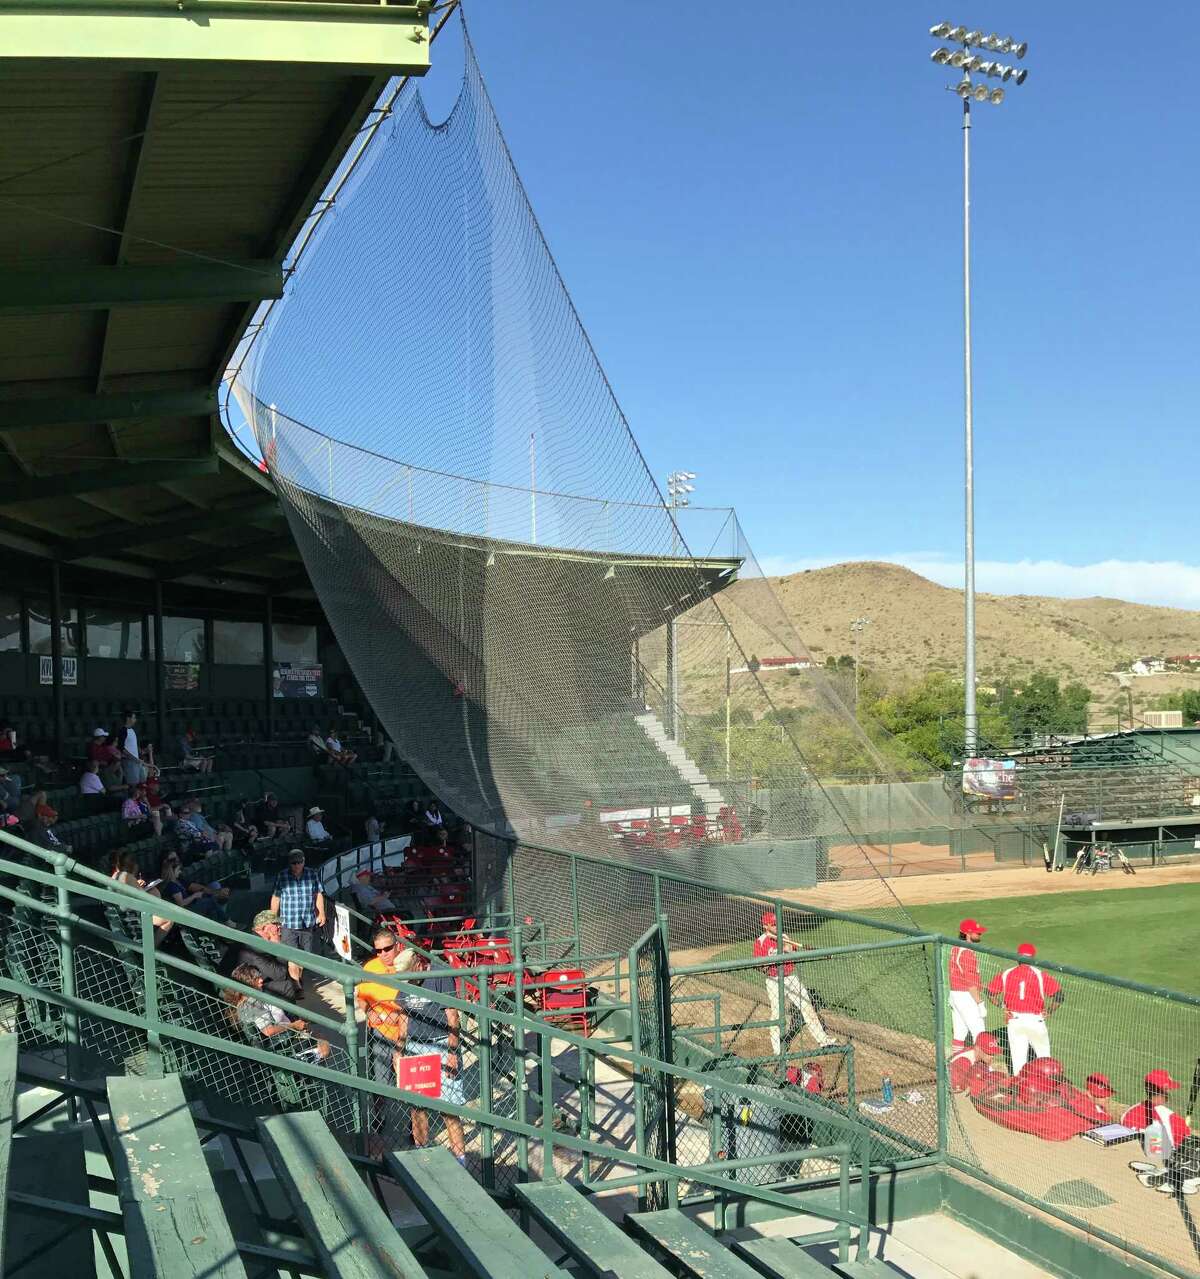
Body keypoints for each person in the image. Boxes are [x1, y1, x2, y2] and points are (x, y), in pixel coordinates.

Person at [393, 944, 466, 1161]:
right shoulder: (406, 981)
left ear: (418, 964)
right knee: (417, 1106)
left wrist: (452, 1052)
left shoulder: (438, 975)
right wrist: (399, 1049)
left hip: (440, 1043)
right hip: (416, 1045)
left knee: (449, 1108)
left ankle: (460, 1157)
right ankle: (421, 1152)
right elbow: (403, 1017)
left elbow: (452, 1016)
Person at [356, 928, 416, 1157]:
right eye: (378, 950)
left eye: (387, 948)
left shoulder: (407, 966)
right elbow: (361, 998)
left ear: (397, 946)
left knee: (409, 1083)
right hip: (380, 1032)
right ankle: (380, 1119)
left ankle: (413, 1126)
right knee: (381, 1080)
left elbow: (415, 1001)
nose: (383, 954)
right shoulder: (370, 968)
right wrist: (369, 1012)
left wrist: (400, 1016)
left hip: (407, 1033)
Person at [753, 910, 836, 1054]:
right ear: (765, 926)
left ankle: (823, 1040)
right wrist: (773, 959)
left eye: (777, 924)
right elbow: (759, 967)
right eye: (773, 925)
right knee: (777, 1015)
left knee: (807, 1007)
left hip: (791, 978)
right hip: (773, 981)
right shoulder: (760, 942)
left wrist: (789, 950)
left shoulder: (784, 937)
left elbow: (795, 956)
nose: (776, 927)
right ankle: (778, 1051)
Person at [986, 942, 1062, 1074]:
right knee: (1045, 1061)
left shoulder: (1007, 974)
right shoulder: (1040, 975)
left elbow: (989, 992)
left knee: (1018, 1063)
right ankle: (1047, 1090)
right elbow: (1059, 996)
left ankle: (1018, 1092)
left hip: (1015, 1020)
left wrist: (1002, 1006)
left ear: (1018, 957)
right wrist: (1049, 1010)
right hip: (1036, 1020)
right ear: (1033, 958)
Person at [227, 963, 330, 1058]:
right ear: (247, 983)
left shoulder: (247, 1002)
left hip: (288, 1033)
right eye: (255, 978)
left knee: (319, 1035)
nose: (261, 979)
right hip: (283, 1042)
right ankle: (311, 1060)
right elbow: (268, 1031)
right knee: (324, 1046)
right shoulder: (252, 1003)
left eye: (259, 975)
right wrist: (295, 1026)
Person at [269, 850, 325, 985]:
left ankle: (298, 978)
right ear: (290, 863)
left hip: (307, 922)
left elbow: (317, 894)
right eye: (294, 863)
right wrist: (272, 919)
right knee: (292, 956)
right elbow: (276, 898)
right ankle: (296, 985)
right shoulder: (282, 875)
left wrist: (321, 913)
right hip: (288, 923)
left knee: (305, 956)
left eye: (299, 862)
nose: (297, 865)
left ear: (304, 861)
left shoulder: (312, 874)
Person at [220, 909, 299, 1002]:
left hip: (245, 981)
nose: (279, 927)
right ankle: (289, 1016)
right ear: (265, 928)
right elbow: (280, 974)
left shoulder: (253, 937)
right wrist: (279, 946)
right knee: (288, 987)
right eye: (276, 924)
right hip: (238, 990)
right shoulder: (257, 947)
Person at [1120, 1069, 1192, 1155]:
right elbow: (1186, 1149)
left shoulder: (1128, 1113)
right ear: (1165, 1091)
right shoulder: (1172, 1119)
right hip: (1160, 1163)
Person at [949, 918, 989, 1054]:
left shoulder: (956, 947)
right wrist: (980, 1002)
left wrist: (981, 986)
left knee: (959, 1034)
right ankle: (984, 1070)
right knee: (980, 1034)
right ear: (968, 934)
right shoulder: (967, 953)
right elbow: (970, 982)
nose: (980, 935)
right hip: (966, 997)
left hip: (955, 994)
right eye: (977, 933)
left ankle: (957, 1066)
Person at [159, 851, 230, 922]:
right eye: (178, 870)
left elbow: (193, 886)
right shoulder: (171, 885)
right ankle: (227, 922)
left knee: (212, 894)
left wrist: (214, 892)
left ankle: (220, 919)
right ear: (172, 872)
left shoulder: (177, 880)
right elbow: (181, 904)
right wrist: (195, 895)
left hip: (192, 901)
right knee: (210, 902)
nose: (180, 872)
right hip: (189, 908)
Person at [117, 709, 150, 786]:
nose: (135, 720)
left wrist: (141, 751)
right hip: (129, 761)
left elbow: (133, 744)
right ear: (128, 718)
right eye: (134, 718)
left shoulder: (132, 730)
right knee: (133, 784)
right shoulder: (123, 731)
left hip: (137, 761)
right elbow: (121, 748)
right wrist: (134, 758)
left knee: (142, 782)